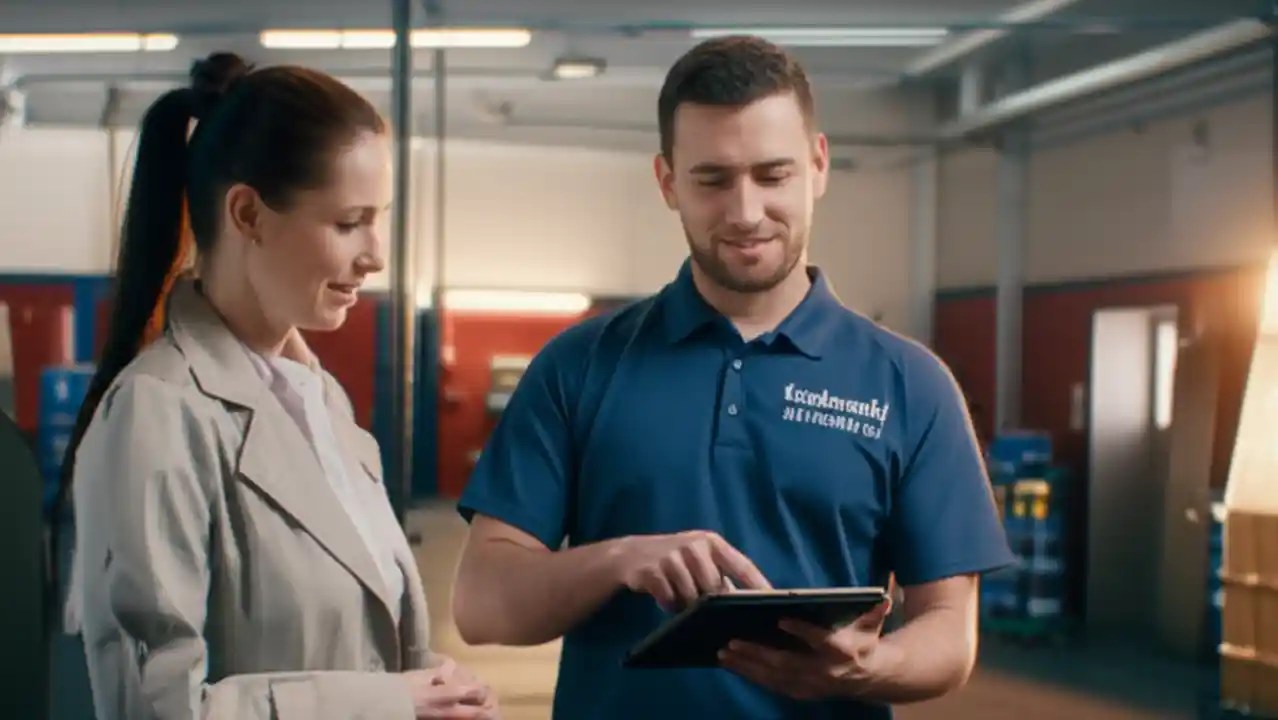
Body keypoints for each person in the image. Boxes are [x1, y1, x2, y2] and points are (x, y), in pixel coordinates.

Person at [450, 35, 1014, 719]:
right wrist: (618, 559)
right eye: (713, 180)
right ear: (667, 182)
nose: (746, 213)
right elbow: (483, 606)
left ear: (819, 165)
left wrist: (867, 667)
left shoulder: (911, 384)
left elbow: (950, 631)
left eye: (773, 176)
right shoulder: (580, 366)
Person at [58, 52, 498, 720]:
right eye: (349, 222)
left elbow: (350, 648)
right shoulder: (156, 413)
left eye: (379, 218)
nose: (376, 254)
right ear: (247, 215)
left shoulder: (323, 403)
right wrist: (386, 702)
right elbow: (150, 709)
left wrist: (440, 688)